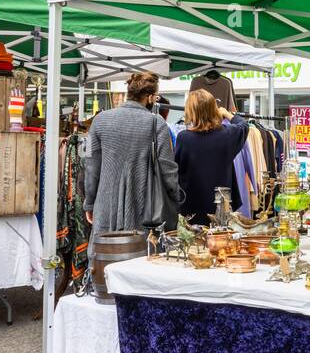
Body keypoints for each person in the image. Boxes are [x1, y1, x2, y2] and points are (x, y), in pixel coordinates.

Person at [84, 72, 182, 237]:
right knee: (140, 257)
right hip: (144, 208)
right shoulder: (156, 123)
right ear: (150, 97)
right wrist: (176, 198)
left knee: (104, 257)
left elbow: (91, 168)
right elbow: (168, 170)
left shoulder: (99, 120)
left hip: (105, 205)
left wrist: (90, 204)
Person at [173, 88, 250, 225]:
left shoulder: (184, 138)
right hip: (220, 204)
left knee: (194, 244)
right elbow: (243, 125)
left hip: (191, 205)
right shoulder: (227, 134)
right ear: (213, 109)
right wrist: (226, 113)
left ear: (191, 111)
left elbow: (176, 171)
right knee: (220, 242)